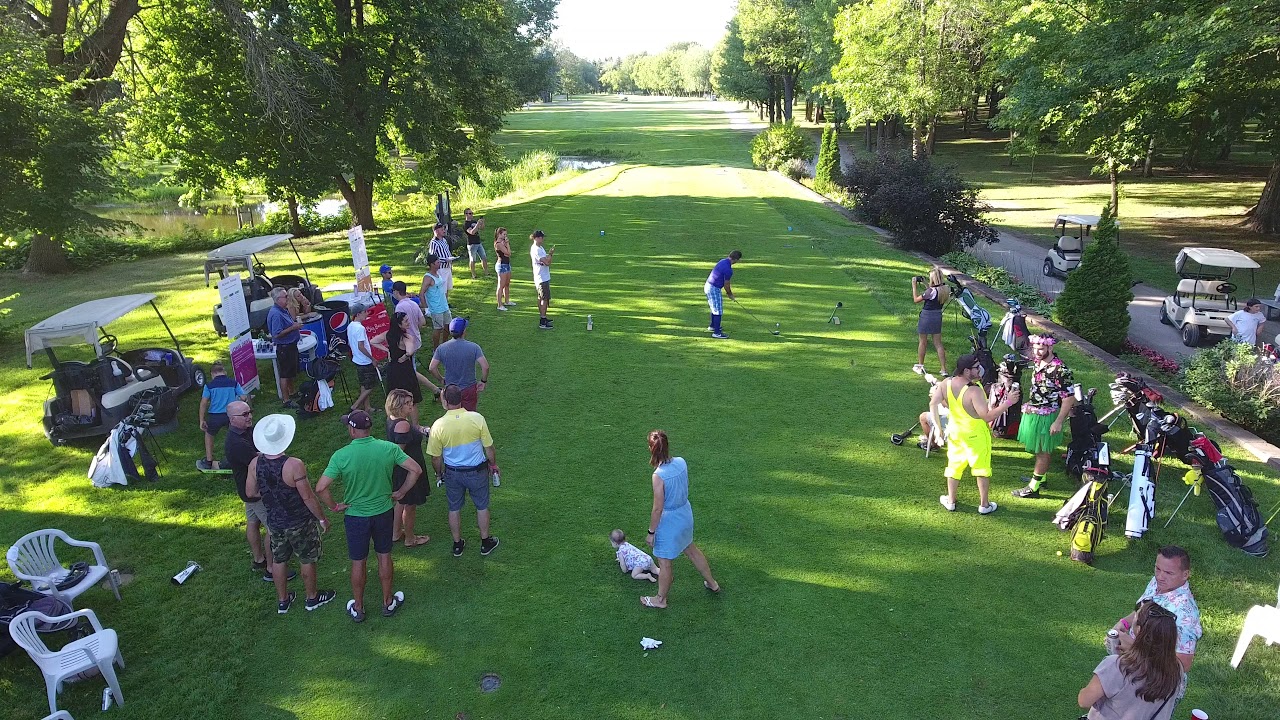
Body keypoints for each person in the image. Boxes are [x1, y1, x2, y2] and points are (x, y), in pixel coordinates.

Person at [315, 410, 423, 622]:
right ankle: (387, 601)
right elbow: (416, 470)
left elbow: (321, 488)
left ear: (352, 429)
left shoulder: (341, 455)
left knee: (358, 561)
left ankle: (359, 607)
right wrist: (401, 492)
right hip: (383, 512)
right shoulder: (388, 448)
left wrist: (334, 506)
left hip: (356, 517)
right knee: (384, 556)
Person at [245, 414, 337, 614]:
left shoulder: (254, 464)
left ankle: (283, 601)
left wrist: (270, 493)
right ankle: (312, 598)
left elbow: (250, 492)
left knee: (279, 559)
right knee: (306, 558)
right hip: (299, 521)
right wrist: (322, 518)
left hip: (275, 522)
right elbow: (308, 498)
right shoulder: (294, 465)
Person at [930, 353, 1021, 514]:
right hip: (976, 435)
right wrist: (1009, 402)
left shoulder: (946, 383)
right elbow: (987, 416)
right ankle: (984, 505)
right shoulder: (974, 391)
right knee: (982, 469)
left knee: (954, 466)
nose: (980, 370)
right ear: (966, 371)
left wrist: (938, 429)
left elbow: (934, 403)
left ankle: (951, 501)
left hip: (956, 433)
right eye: (976, 368)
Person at [640, 430, 719, 609]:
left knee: (665, 563)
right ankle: (712, 583)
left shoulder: (658, 476)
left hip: (669, 522)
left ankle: (660, 600)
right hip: (685, 514)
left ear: (651, 449)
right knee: (691, 549)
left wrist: (651, 533)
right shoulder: (681, 462)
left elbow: (658, 508)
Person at [425, 385, 500, 557]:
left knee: (454, 508)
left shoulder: (438, 425)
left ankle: (457, 544)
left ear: (445, 401)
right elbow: (489, 447)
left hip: (453, 474)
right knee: (482, 506)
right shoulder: (477, 418)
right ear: (460, 399)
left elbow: (435, 458)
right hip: (477, 472)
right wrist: (493, 465)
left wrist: (438, 474)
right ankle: (485, 542)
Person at [1079, 600, 1185, 720]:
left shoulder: (1116, 665)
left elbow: (1084, 701)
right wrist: (1134, 649)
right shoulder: (1177, 669)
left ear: (1138, 630)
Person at [223, 400, 292, 583]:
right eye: (244, 415)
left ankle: (258, 559)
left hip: (247, 490)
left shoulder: (244, 433)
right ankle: (271, 569)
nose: (250, 416)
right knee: (272, 529)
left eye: (250, 412)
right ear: (232, 419)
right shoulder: (236, 443)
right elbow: (260, 462)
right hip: (256, 492)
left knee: (252, 522)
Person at [1109, 546, 1202, 673]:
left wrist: (1134, 648)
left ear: (1185, 575)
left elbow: (1181, 666)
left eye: (1169, 573)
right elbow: (1143, 609)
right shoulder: (1158, 583)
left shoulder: (1184, 615)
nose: (1160, 576)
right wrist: (1123, 623)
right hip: (1131, 664)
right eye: (1157, 569)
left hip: (1151, 683)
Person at [1011, 334, 1076, 498]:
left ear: (1050, 347)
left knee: (1043, 451)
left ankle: (1033, 488)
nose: (1037, 352)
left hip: (1047, 416)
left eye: (1041, 348)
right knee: (1038, 449)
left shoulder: (1060, 370)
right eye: (1035, 348)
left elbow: (1069, 398)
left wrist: (1058, 422)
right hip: (1034, 411)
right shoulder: (1038, 363)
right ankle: (1041, 478)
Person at [385, 389, 431, 549]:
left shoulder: (393, 419)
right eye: (407, 403)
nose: (411, 405)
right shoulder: (403, 424)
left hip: (401, 469)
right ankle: (410, 538)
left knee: (401, 501)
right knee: (410, 505)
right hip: (408, 469)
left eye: (411, 401)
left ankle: (395, 532)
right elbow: (399, 451)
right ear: (397, 405)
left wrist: (422, 430)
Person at [429, 317, 489, 412]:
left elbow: (432, 368)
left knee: (453, 417)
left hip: (451, 390)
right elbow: (485, 366)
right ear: (464, 331)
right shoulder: (474, 347)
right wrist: (483, 381)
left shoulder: (441, 348)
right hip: (469, 389)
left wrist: (441, 379)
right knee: (470, 417)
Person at [198, 360, 247, 472]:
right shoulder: (233, 383)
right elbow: (243, 397)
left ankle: (209, 461)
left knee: (209, 434)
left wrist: (201, 420)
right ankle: (239, 457)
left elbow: (204, 402)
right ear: (224, 371)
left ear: (212, 374)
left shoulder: (209, 386)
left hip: (215, 416)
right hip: (231, 415)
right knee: (236, 435)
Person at [267, 287, 303, 407]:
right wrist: (293, 328)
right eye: (285, 296)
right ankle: (286, 400)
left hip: (291, 345)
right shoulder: (276, 314)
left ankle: (292, 392)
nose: (288, 298)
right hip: (284, 348)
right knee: (285, 374)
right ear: (278, 299)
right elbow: (276, 333)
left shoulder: (283, 309)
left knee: (290, 372)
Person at [384, 311, 423, 425]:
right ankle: (415, 425)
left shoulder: (388, 335)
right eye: (405, 321)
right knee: (412, 399)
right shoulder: (406, 337)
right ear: (399, 325)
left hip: (393, 369)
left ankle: (393, 423)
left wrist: (387, 351)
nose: (408, 322)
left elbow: (373, 341)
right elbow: (410, 351)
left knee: (393, 397)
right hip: (405, 370)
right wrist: (405, 356)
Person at [912, 268, 951, 374]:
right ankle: (943, 369)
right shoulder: (945, 289)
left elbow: (916, 300)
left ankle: (920, 366)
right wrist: (925, 283)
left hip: (926, 316)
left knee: (923, 342)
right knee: (938, 343)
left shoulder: (930, 291)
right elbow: (933, 292)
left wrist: (914, 285)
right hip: (937, 316)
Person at [345, 303, 382, 414]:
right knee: (371, 385)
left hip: (357, 360)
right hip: (365, 361)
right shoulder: (360, 328)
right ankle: (355, 406)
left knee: (364, 385)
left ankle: (367, 407)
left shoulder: (350, 326)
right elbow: (361, 346)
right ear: (359, 314)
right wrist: (372, 359)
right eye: (365, 312)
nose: (367, 314)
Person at [704, 250, 741, 339]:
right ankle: (717, 333)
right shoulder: (728, 270)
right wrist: (729, 294)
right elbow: (726, 284)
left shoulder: (722, 261)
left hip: (708, 285)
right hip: (713, 288)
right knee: (718, 310)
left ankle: (713, 326)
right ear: (736, 260)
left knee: (714, 307)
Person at [419, 254, 452, 349]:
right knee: (438, 329)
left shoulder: (438, 274)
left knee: (448, 326)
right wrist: (426, 309)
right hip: (436, 308)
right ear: (432, 264)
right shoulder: (428, 278)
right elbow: (421, 293)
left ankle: (445, 345)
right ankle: (436, 349)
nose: (440, 263)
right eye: (438, 262)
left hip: (444, 305)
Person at [530, 229, 555, 329]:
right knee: (544, 299)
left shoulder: (539, 248)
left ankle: (543, 317)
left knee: (541, 298)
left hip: (542, 276)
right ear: (536, 238)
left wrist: (549, 256)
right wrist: (551, 254)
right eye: (541, 237)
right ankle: (543, 321)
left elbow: (547, 261)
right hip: (541, 278)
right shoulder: (537, 250)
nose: (543, 239)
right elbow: (547, 262)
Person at [427, 223, 455, 297]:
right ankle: (443, 304)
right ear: (436, 231)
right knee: (443, 288)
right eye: (441, 229)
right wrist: (445, 260)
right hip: (441, 268)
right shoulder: (434, 242)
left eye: (444, 229)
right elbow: (432, 257)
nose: (444, 230)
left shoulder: (444, 240)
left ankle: (446, 303)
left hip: (448, 266)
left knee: (447, 287)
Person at [494, 227, 515, 311]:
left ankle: (507, 301)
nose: (505, 236)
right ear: (499, 234)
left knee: (507, 284)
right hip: (502, 265)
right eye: (504, 234)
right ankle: (499, 305)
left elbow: (508, 254)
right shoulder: (498, 244)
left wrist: (506, 244)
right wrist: (507, 244)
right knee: (501, 285)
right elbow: (508, 253)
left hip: (507, 264)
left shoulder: (502, 243)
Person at [463, 209, 488, 279]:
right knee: (473, 260)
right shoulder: (466, 224)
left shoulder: (474, 221)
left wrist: (482, 222)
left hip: (478, 242)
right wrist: (477, 224)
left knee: (484, 257)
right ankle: (473, 274)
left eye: (472, 213)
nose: (471, 215)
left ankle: (486, 272)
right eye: (469, 213)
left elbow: (482, 228)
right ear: (466, 214)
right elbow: (472, 232)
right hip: (471, 244)